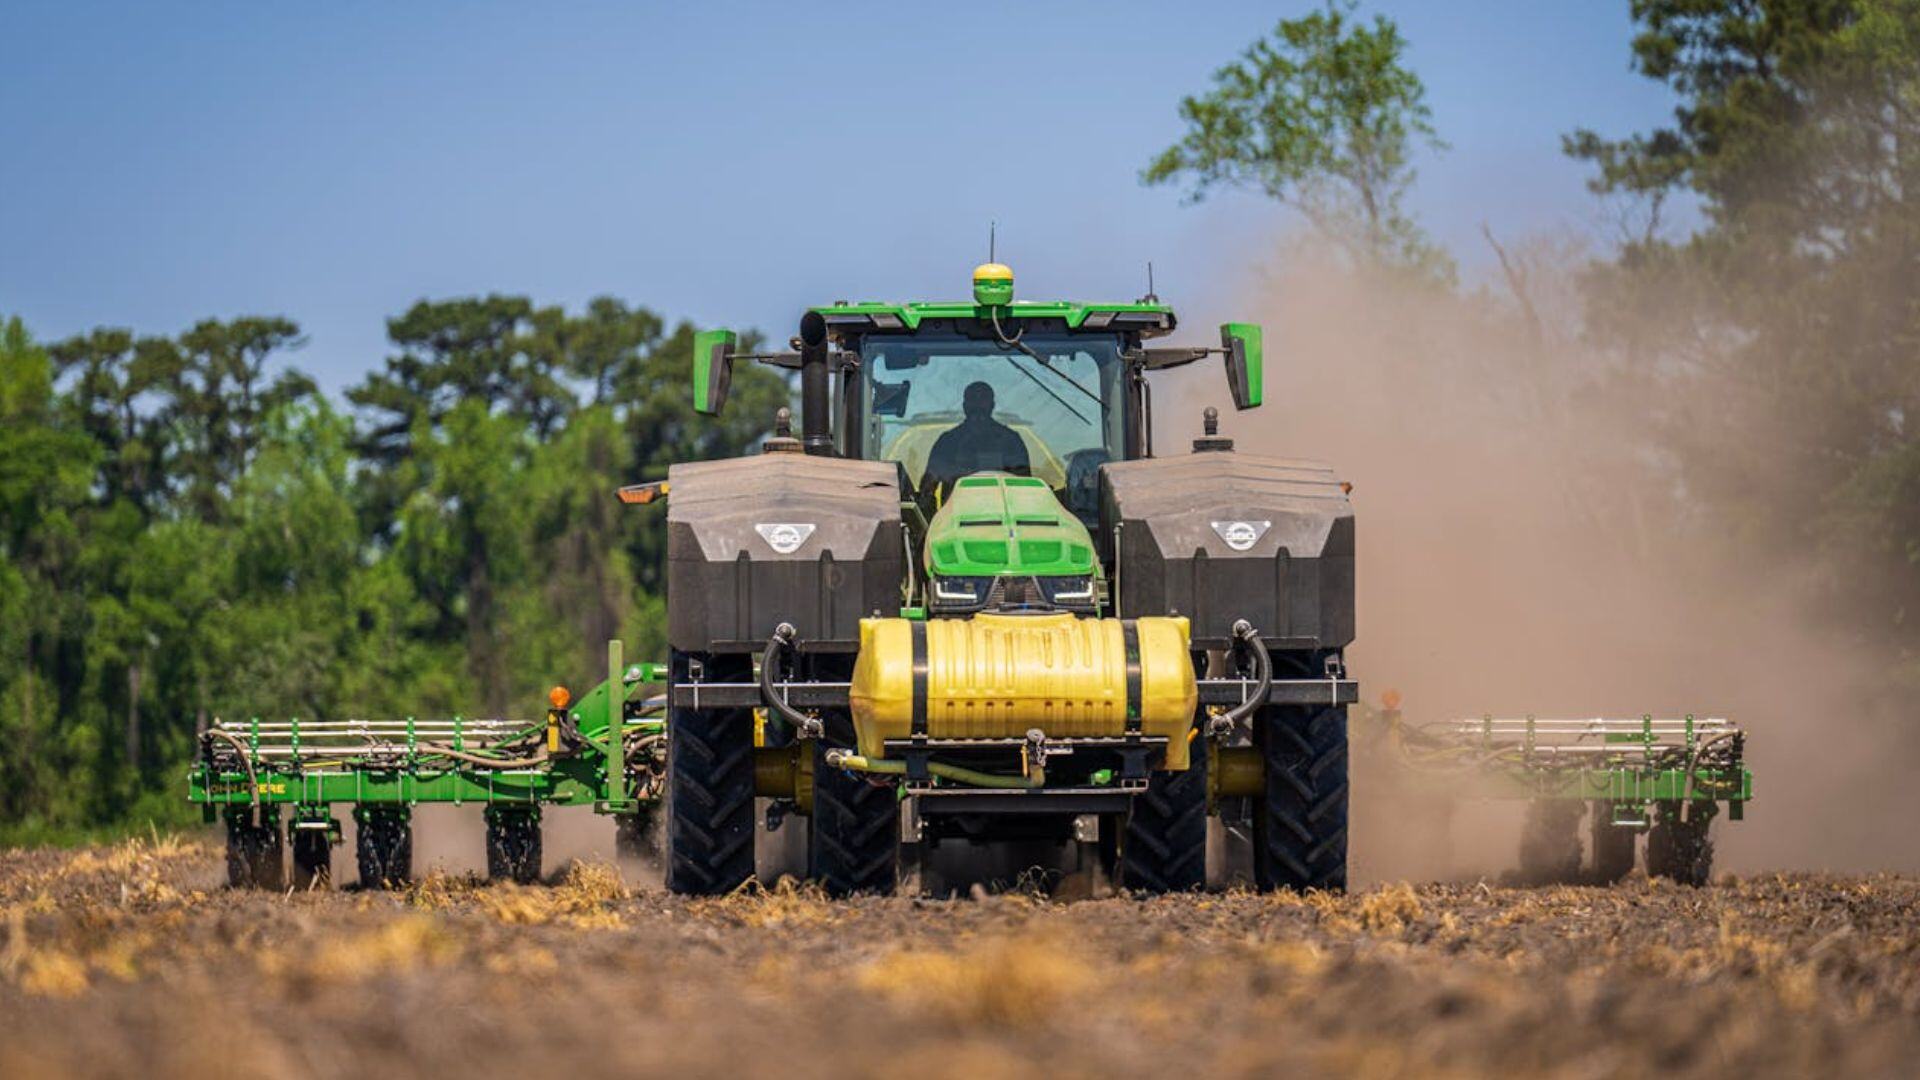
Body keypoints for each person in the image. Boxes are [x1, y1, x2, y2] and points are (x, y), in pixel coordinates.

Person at [924, 380, 1030, 499]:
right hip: (955, 514)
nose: (978, 404)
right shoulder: (947, 442)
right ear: (964, 406)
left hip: (1004, 512)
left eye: (982, 399)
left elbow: (1024, 486)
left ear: (992, 405)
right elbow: (927, 488)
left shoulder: (1011, 441)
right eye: (973, 399)